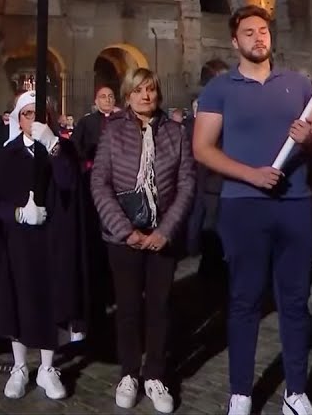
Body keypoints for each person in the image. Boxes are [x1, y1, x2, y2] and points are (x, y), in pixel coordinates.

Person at [192, 6, 312, 415]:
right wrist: (250, 175)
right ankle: (240, 392)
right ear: (235, 41)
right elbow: (203, 149)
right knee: (244, 299)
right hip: (243, 206)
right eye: (249, 32)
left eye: (263, 30)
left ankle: (296, 392)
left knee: (295, 301)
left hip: (295, 205)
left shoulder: (298, 84)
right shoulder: (219, 88)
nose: (258, 37)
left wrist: (309, 139)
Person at [0, 90, 90, 402]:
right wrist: (18, 213)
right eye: (27, 114)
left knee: (50, 300)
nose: (34, 120)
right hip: (18, 240)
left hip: (53, 240)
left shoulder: (63, 149)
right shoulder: (8, 154)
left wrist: (53, 146)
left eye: (40, 114)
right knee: (17, 300)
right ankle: (20, 366)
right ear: (18, 119)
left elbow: (70, 185)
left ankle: (48, 367)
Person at [91, 69, 195, 413]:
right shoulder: (113, 131)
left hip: (162, 235)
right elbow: (100, 183)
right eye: (138, 91)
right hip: (123, 237)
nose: (145, 96)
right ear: (128, 95)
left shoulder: (176, 132)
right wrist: (125, 230)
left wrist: (165, 231)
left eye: (150, 90)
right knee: (128, 307)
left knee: (159, 308)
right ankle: (129, 372)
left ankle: (155, 374)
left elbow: (186, 184)